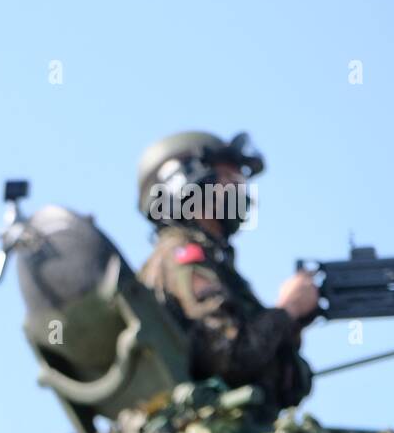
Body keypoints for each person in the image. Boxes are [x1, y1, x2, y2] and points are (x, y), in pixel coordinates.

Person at [135, 131, 317, 410]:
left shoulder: (208, 262)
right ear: (187, 183)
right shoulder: (183, 257)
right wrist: (288, 309)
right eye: (230, 180)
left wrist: (291, 326)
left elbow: (284, 383)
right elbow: (231, 357)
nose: (242, 193)